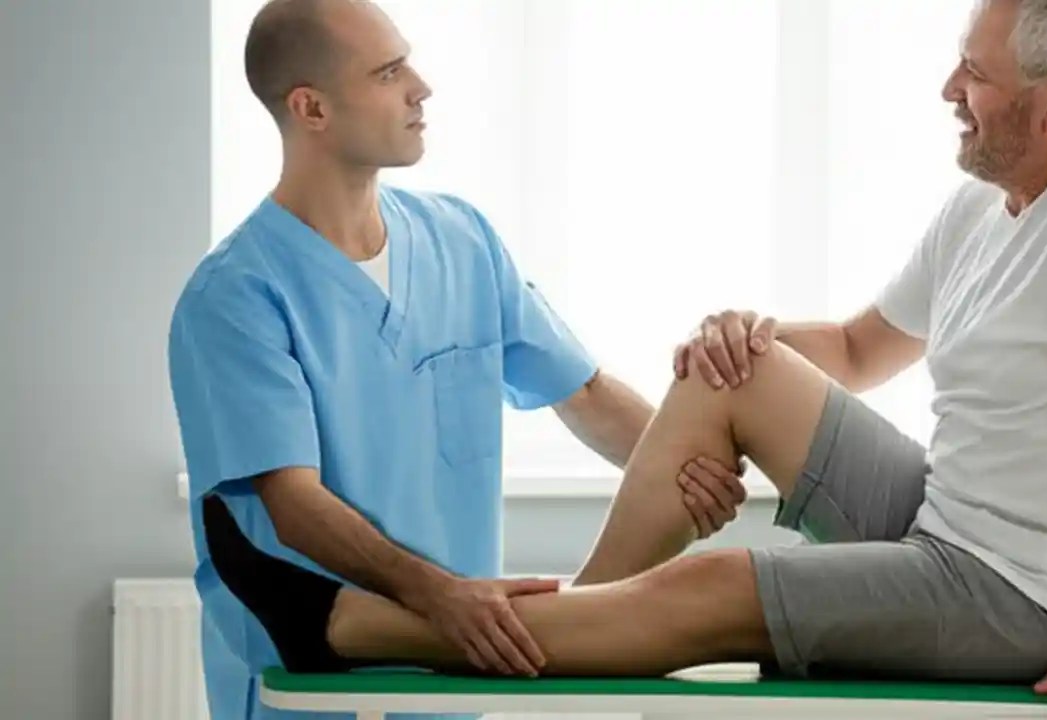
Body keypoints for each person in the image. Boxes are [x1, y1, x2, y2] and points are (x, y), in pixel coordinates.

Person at [192, 1, 1047, 720]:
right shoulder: (982, 207)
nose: (947, 86)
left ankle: (363, 629)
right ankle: (558, 643)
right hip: (947, 515)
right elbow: (861, 350)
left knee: (720, 585)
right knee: (722, 370)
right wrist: (745, 337)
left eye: (978, 73)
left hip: (1027, 590)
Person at [166, 1, 744, 718]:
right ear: (311, 107)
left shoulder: (461, 241)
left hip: (455, 673)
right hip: (310, 689)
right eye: (388, 71)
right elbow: (296, 508)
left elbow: (586, 394)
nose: (421, 86)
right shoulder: (235, 297)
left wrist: (688, 467)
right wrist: (441, 596)